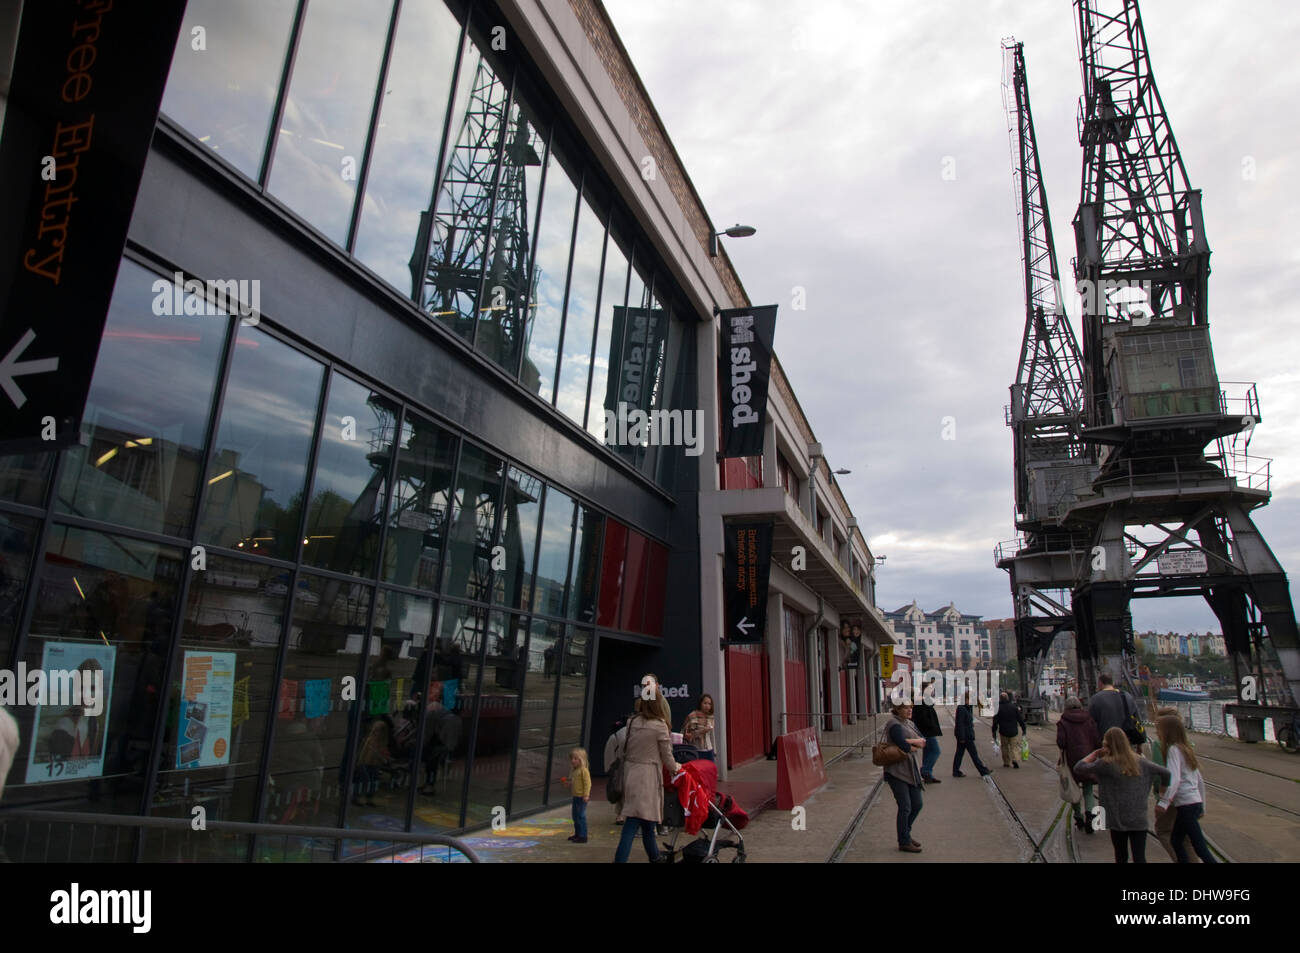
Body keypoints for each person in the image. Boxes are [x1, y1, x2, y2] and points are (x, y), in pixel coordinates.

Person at [1073, 727, 1170, 863]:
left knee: (1121, 855)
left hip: (1117, 819)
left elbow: (1079, 767)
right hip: (1138, 818)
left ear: (1107, 745)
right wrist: (1162, 793)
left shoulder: (1105, 764)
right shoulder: (1142, 762)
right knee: (1140, 857)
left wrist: (1095, 754)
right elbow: (1166, 773)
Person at [613, 677, 681, 863]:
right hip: (649, 777)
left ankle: (655, 857)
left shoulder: (632, 722)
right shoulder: (660, 726)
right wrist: (677, 768)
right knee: (634, 821)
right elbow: (667, 757)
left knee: (647, 821)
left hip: (631, 772)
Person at [1155, 715, 1216, 863]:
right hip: (1193, 803)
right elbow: (1199, 781)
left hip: (1186, 804)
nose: (1157, 733)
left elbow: (1174, 779)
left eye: (1159, 730)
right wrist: (1202, 805)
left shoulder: (1173, 751)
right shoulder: (1186, 749)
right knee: (1176, 840)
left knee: (1200, 847)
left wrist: (1164, 802)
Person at [882, 701, 928, 852]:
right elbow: (902, 744)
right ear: (897, 709)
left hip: (911, 769)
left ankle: (905, 834)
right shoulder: (893, 724)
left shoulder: (909, 723)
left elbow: (923, 741)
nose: (909, 710)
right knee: (905, 806)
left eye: (911, 707)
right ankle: (904, 841)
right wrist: (914, 743)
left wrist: (913, 743)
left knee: (917, 804)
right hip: (896, 771)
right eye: (906, 707)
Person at [1056, 696, 1102, 833]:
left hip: (1072, 760)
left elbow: (1061, 743)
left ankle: (1078, 817)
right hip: (1088, 758)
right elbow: (1097, 740)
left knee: (1073, 789)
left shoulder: (1063, 721)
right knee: (1088, 790)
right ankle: (1090, 817)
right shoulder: (1089, 719)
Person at [1146, 706, 1182, 859]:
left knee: (1163, 831)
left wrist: (1161, 798)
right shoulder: (1186, 744)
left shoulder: (1158, 745)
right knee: (1184, 838)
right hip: (1186, 796)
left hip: (1169, 796)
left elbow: (1160, 774)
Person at [1087, 673, 1142, 751]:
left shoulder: (1095, 699)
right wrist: (1139, 744)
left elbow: (1090, 724)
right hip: (1126, 743)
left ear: (1100, 683)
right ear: (1112, 683)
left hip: (1105, 745)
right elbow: (1137, 720)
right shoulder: (1127, 697)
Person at [952, 690, 991, 777]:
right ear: (966, 699)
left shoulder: (967, 707)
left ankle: (956, 771)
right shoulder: (962, 708)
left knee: (959, 754)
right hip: (966, 736)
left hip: (965, 734)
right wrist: (962, 737)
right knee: (974, 754)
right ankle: (983, 771)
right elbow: (960, 724)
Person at [911, 679, 943, 783]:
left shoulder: (925, 700)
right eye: (930, 688)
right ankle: (925, 771)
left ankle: (928, 775)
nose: (932, 689)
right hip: (927, 731)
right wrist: (931, 726)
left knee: (928, 752)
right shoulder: (921, 701)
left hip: (927, 731)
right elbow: (921, 718)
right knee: (935, 751)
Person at [564, 747, 591, 843]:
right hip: (575, 797)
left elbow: (587, 783)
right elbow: (572, 781)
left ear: (581, 760)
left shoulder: (584, 771)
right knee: (575, 816)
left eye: (575, 759)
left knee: (580, 816)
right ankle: (577, 834)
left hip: (581, 797)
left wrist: (586, 795)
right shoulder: (574, 771)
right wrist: (568, 783)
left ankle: (583, 836)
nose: (572, 760)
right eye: (572, 758)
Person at [992, 691, 1026, 768]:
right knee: (1014, 747)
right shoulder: (1013, 707)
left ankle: (1006, 762)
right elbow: (1020, 719)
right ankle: (1015, 759)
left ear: (1000, 699)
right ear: (1008, 698)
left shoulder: (997, 708)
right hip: (1014, 731)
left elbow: (995, 722)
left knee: (1004, 747)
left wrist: (994, 732)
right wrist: (1024, 728)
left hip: (1003, 731)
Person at [682, 694, 716, 761]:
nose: (707, 706)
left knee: (710, 770)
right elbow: (683, 733)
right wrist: (701, 731)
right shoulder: (692, 716)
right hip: (696, 750)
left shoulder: (710, 717)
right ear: (700, 703)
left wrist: (714, 751)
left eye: (709, 704)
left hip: (709, 750)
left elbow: (712, 735)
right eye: (705, 703)